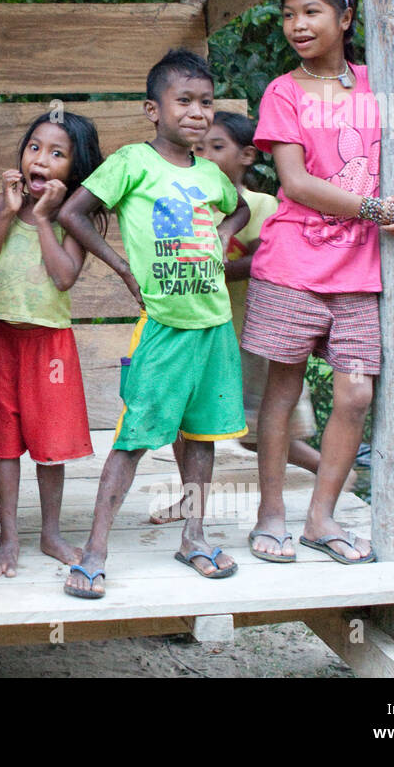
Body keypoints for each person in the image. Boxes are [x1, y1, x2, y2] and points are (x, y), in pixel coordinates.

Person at [242, 0, 394, 565]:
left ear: (346, 18)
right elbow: (296, 183)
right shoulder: (285, 91)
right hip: (293, 262)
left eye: (311, 12)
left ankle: (321, 518)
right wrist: (382, 210)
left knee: (355, 393)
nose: (296, 25)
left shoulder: (379, 86)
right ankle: (270, 515)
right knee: (283, 387)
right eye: (287, 15)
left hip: (360, 270)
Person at [58, 49, 250, 598]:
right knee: (133, 438)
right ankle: (94, 552)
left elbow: (237, 209)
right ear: (152, 108)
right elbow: (73, 212)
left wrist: (221, 234)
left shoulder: (211, 174)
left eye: (207, 103)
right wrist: (121, 268)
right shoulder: (131, 163)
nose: (197, 112)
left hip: (213, 325)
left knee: (203, 437)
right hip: (164, 325)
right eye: (183, 101)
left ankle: (194, 536)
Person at [148, 110, 341, 527]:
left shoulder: (261, 205)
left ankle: (334, 473)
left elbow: (260, 261)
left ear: (248, 156)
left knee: (260, 436)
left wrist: (206, 264)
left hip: (252, 338)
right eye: (199, 148)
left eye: (217, 147)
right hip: (202, 332)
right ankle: (189, 499)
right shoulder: (190, 203)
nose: (204, 154)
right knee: (186, 421)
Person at [0, 111, 104, 577]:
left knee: (51, 444)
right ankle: (8, 539)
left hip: (50, 344)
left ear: (75, 168)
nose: (41, 158)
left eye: (57, 153)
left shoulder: (73, 218)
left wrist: (45, 218)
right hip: (2, 338)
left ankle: (50, 532)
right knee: (3, 445)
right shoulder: (0, 204)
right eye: (34, 147)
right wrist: (7, 212)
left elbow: (64, 277)